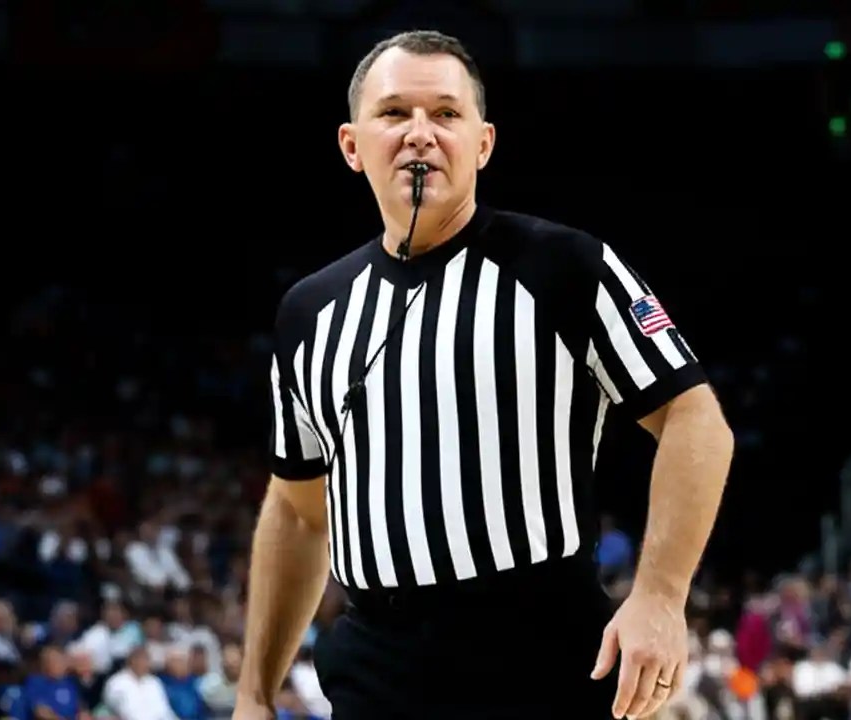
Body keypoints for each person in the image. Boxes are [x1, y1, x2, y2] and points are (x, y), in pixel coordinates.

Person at [234, 29, 734, 720]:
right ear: (352, 145)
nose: (419, 133)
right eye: (394, 113)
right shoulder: (308, 312)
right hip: (376, 668)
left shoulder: (565, 265)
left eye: (445, 114)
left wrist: (660, 594)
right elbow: (296, 511)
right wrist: (254, 694)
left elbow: (694, 417)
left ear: (483, 143)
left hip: (542, 654)